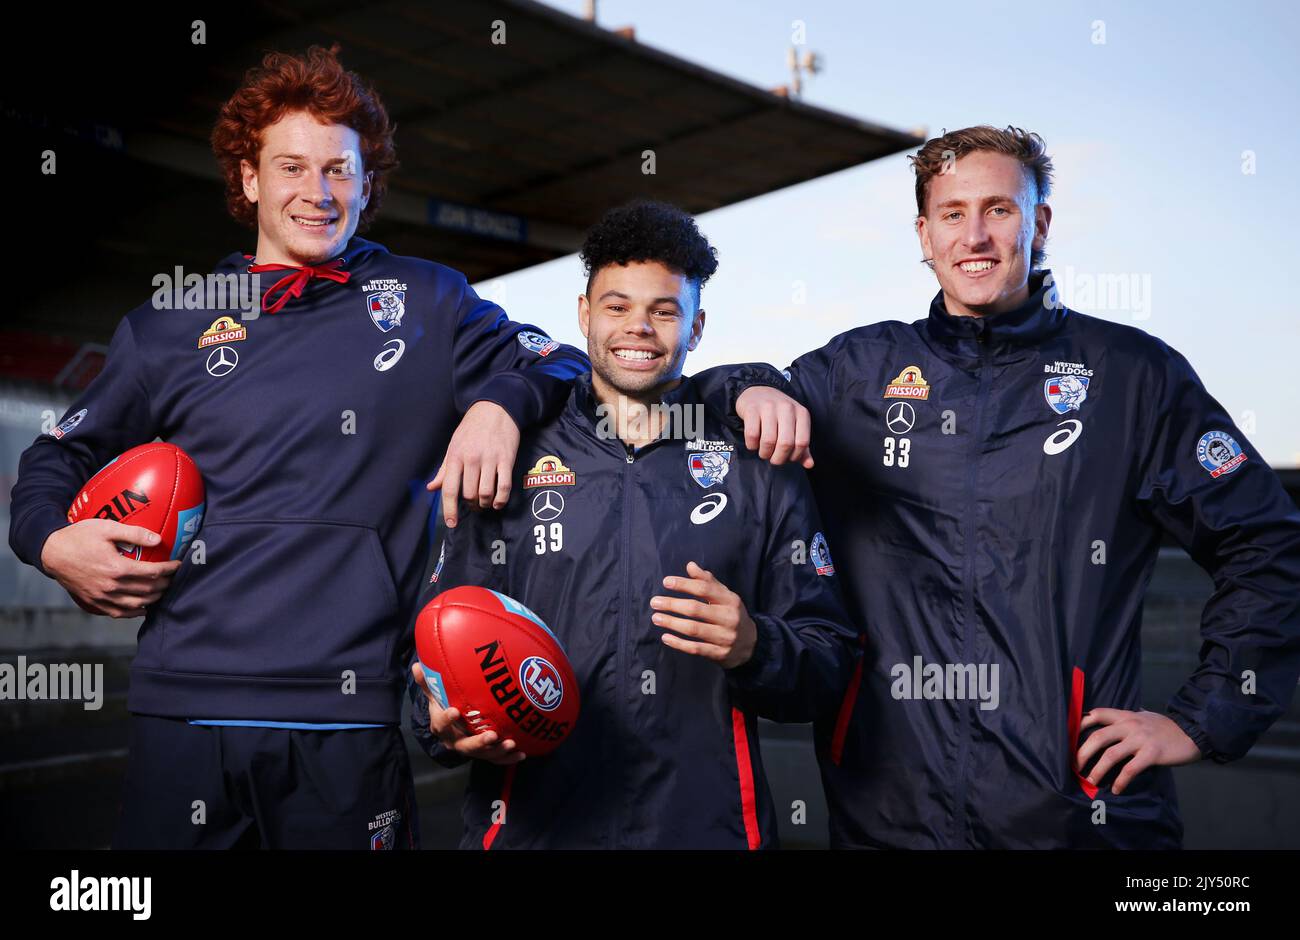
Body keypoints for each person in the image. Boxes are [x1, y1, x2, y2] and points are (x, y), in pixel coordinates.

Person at [6, 46, 594, 849]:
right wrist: (50, 541)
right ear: (249, 178)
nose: (317, 194)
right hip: (183, 715)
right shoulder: (172, 323)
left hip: (345, 723)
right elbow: (56, 455)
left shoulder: (428, 300)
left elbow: (556, 360)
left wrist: (497, 404)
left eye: (340, 171)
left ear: (367, 184)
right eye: (291, 167)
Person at [729, 126, 1300, 848]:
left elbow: (1267, 544)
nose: (975, 235)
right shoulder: (856, 372)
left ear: (1040, 225)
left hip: (1078, 821)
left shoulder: (1133, 376)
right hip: (887, 819)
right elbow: (719, 412)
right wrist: (747, 388)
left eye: (999, 209)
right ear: (924, 234)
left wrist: (1204, 716)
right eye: (952, 213)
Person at [408, 201, 856, 848]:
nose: (638, 328)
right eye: (617, 307)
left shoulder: (757, 466)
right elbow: (438, 647)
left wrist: (755, 645)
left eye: (664, 310)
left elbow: (829, 662)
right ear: (585, 314)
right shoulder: (508, 455)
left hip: (707, 832)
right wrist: (441, 725)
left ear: (696, 327)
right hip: (532, 832)